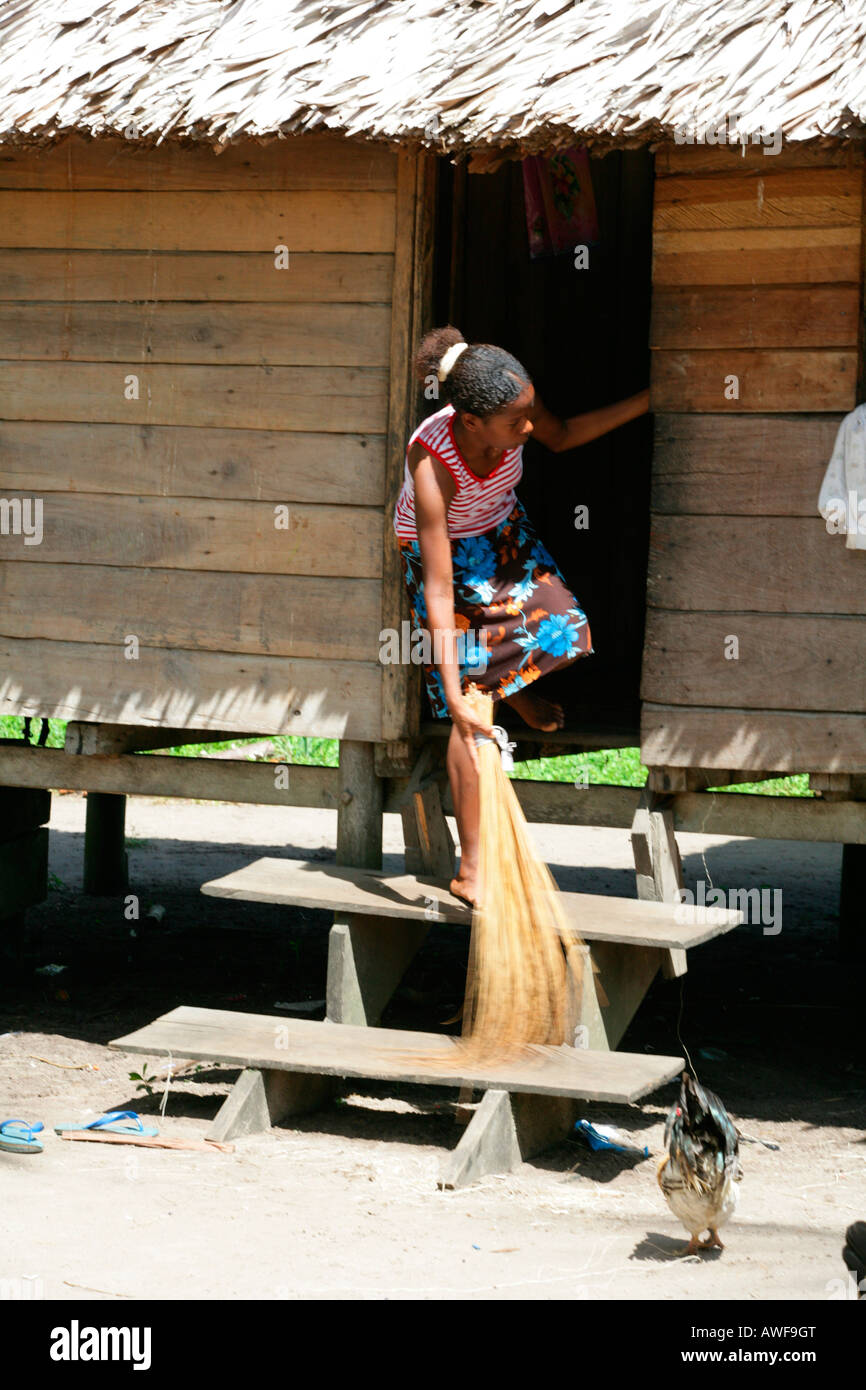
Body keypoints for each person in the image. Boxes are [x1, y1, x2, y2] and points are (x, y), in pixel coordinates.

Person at [394, 325, 649, 905]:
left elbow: (564, 436)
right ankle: (472, 870)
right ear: (470, 421)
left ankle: (506, 686)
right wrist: (454, 693)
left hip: (502, 532)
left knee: (568, 628)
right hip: (444, 557)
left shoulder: (515, 408)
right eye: (516, 422)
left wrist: (648, 399)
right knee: (470, 712)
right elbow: (437, 588)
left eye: (529, 411)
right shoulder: (432, 464)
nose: (528, 427)